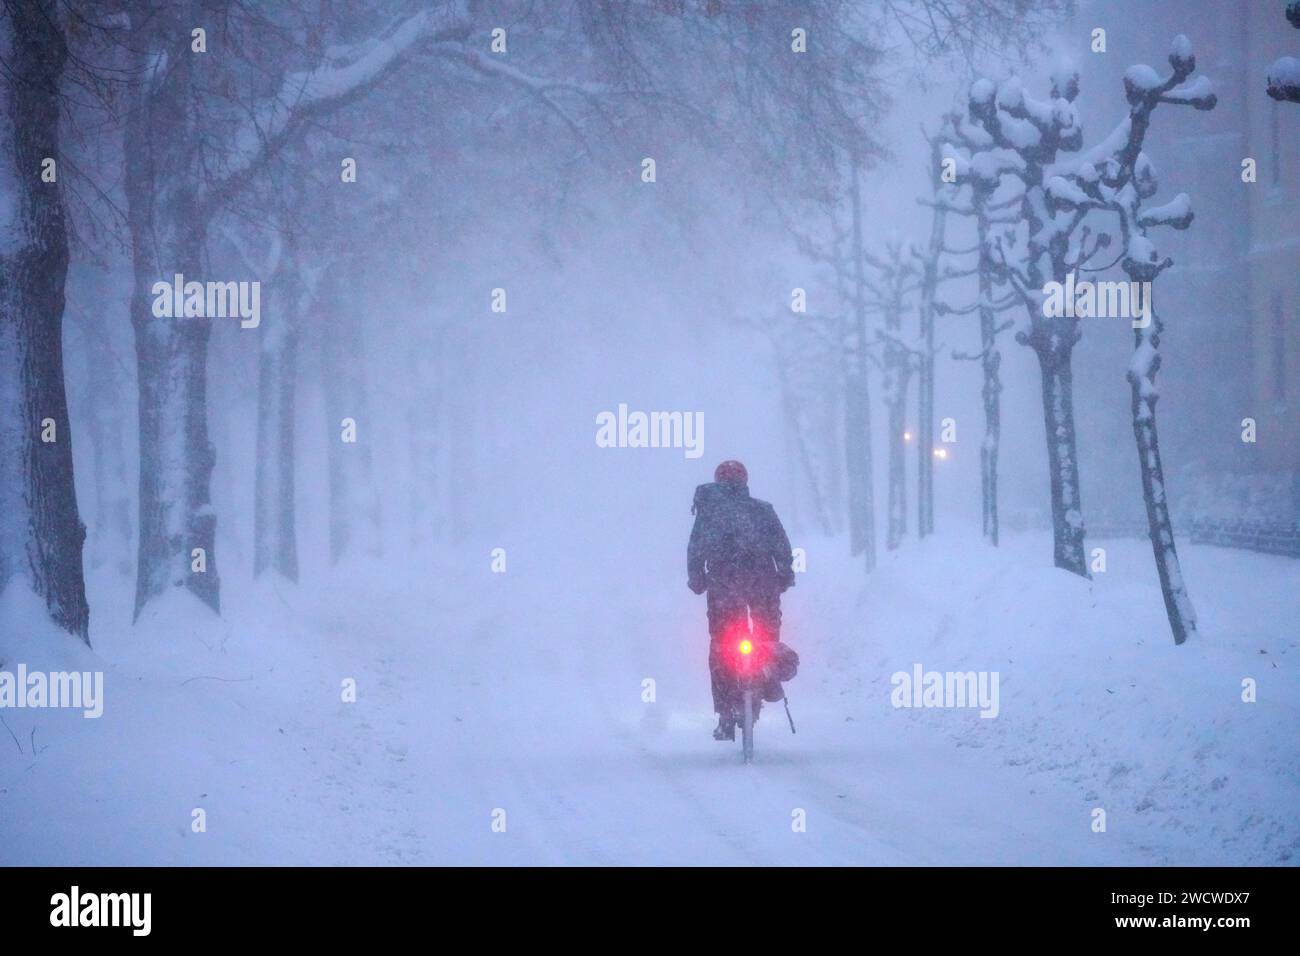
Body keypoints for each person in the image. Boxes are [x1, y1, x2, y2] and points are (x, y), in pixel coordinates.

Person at [687, 460, 795, 740]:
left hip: (724, 587)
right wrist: (785, 575)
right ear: (745, 482)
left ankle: (725, 714)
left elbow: (696, 549)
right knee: (767, 639)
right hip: (763, 585)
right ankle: (767, 680)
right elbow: (782, 546)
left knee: (721, 647)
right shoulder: (762, 510)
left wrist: (697, 579)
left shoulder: (709, 513)